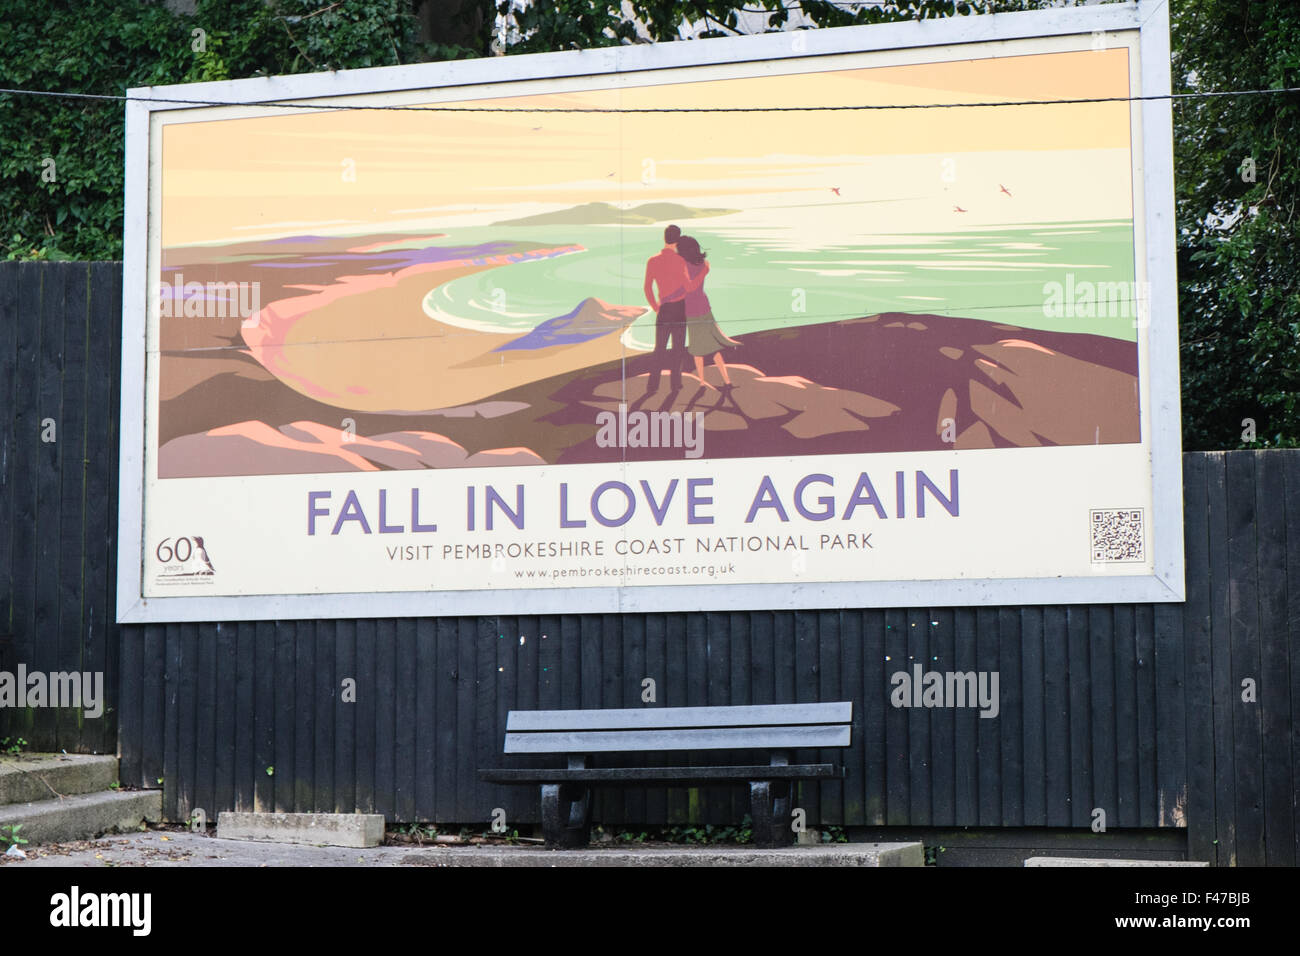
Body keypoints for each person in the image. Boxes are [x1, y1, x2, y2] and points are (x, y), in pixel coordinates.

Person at [676, 235, 739, 390]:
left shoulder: (683, 265)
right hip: (703, 305)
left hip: (692, 308)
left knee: (698, 349)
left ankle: (703, 382)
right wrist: (704, 271)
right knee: (713, 347)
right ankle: (726, 381)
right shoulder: (704, 263)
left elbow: (689, 287)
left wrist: (703, 273)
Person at [642, 224, 690, 392]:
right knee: (678, 348)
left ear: (664, 238)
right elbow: (687, 287)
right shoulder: (682, 260)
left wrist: (656, 307)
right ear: (677, 240)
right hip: (680, 308)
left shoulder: (653, 260)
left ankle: (652, 386)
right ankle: (675, 385)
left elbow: (647, 287)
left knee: (659, 348)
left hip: (664, 309)